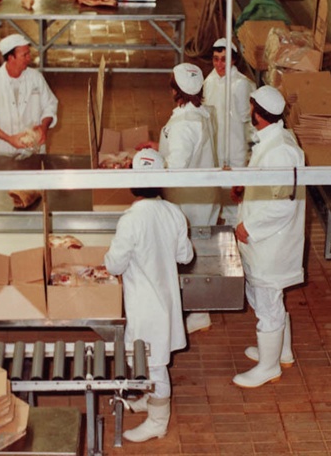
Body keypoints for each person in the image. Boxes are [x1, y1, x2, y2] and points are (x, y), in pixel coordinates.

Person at [104, 148, 194, 443]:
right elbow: (185, 256)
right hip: (167, 302)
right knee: (152, 359)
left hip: (145, 307)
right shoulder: (174, 212)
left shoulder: (130, 219)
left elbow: (114, 265)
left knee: (155, 366)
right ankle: (150, 399)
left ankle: (158, 422)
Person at [231, 85, 306, 389]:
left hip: (271, 241)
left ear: (258, 114)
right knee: (269, 298)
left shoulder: (281, 151)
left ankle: (269, 366)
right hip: (266, 240)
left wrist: (249, 227)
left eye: (251, 107)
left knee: (267, 301)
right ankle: (280, 351)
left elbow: (282, 205)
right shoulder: (275, 139)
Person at [141, 62, 219, 334]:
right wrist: (158, 148)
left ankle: (199, 313)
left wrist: (147, 166)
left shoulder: (185, 124)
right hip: (202, 194)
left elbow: (175, 168)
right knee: (195, 248)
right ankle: (197, 308)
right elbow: (187, 150)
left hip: (189, 200)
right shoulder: (200, 113)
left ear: (176, 90)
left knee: (190, 252)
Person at [0, 34, 59, 155]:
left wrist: (43, 128)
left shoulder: (36, 78)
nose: (29, 58)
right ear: (10, 58)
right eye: (24, 55)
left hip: (32, 150)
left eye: (28, 53)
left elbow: (50, 105)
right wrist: (9, 139)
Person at [202, 37, 255, 226]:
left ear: (233, 60)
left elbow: (248, 121)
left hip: (235, 148)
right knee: (219, 192)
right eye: (216, 59)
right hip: (216, 146)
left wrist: (250, 151)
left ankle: (235, 229)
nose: (219, 64)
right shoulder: (210, 80)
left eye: (224, 59)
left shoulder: (240, 84)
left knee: (235, 195)